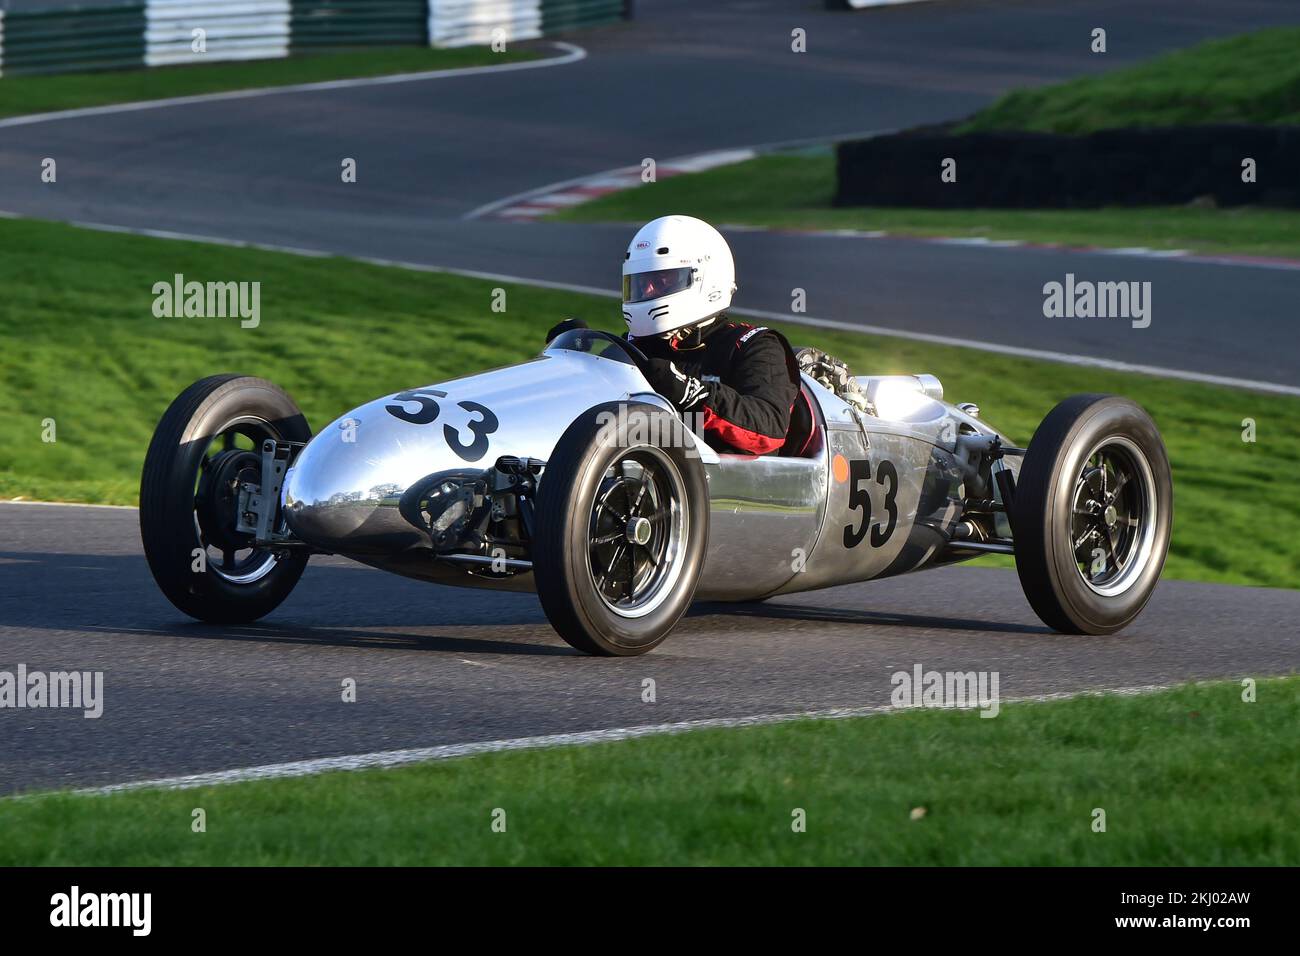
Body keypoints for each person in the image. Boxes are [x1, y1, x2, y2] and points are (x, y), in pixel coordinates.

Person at [548, 215, 800, 456]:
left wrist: (695, 394)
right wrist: (571, 362)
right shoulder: (634, 349)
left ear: (707, 281)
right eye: (639, 282)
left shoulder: (753, 345)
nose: (646, 290)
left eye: (660, 280)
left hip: (723, 488)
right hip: (631, 474)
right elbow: (578, 413)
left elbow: (770, 430)